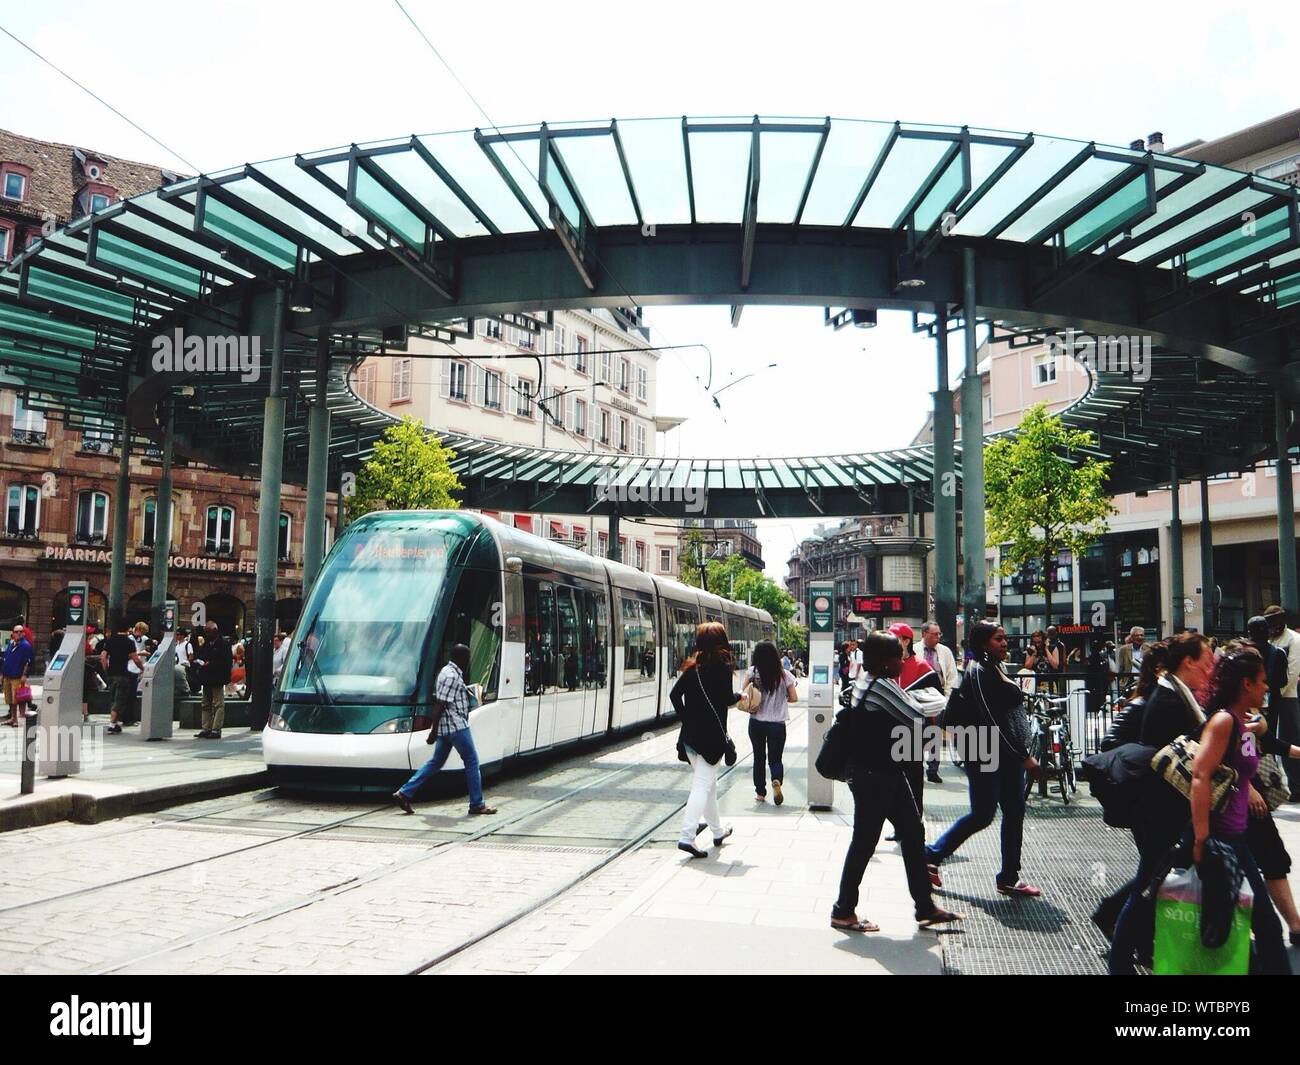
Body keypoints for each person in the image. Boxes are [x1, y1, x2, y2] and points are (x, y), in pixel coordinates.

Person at [830, 631, 962, 933]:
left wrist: (911, 697)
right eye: (898, 657)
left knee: (912, 832)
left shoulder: (865, 680)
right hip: (877, 775)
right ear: (886, 662)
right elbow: (917, 712)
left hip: (881, 773)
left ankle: (924, 907)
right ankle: (843, 910)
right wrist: (929, 698)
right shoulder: (883, 686)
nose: (903, 662)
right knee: (866, 840)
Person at [1107, 631, 1214, 973]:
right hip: (1161, 809)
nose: (1210, 670)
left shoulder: (1174, 692)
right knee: (1146, 887)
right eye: (1206, 662)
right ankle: (1120, 960)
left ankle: (1124, 953)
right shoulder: (1170, 699)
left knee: (1148, 885)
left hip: (1163, 809)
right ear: (1188, 662)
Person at [1189, 647, 1291, 974]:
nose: (1267, 688)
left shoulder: (1243, 724)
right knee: (1232, 923)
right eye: (1262, 682)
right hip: (1220, 841)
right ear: (1246, 684)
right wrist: (1201, 839)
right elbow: (1200, 775)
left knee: (1261, 923)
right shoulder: (1222, 722)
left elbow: (1247, 767)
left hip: (1237, 839)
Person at [925, 622, 1042, 898]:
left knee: (1013, 812)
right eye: (998, 638)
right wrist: (1024, 757)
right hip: (986, 753)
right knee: (983, 814)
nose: (1004, 643)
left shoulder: (992, 668)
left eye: (1004, 638)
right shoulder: (979, 673)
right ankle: (930, 854)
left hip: (1004, 756)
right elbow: (993, 721)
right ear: (982, 643)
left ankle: (1009, 877)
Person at [394, 643, 497, 817]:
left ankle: (404, 793)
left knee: (435, 762)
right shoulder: (451, 676)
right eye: (467, 657)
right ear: (460, 658)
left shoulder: (446, 672)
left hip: (446, 728)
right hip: (455, 727)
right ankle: (477, 804)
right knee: (471, 761)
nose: (468, 660)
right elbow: (440, 704)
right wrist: (433, 731)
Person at [671, 621, 742, 858]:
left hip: (690, 738)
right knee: (703, 785)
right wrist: (740, 696)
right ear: (722, 641)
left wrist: (687, 719)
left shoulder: (692, 668)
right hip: (711, 739)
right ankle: (687, 836)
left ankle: (718, 831)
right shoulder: (723, 667)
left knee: (709, 786)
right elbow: (726, 699)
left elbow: (674, 695)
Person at [742, 640, 797, 805]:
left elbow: (742, 694)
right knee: (775, 758)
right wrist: (781, 698)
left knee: (759, 757)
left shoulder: (752, 672)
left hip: (756, 722)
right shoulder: (784, 674)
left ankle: (760, 793)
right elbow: (794, 698)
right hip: (777, 724)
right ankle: (776, 780)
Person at [1264, 605, 1300, 799]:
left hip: (1286, 696)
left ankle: (1296, 786)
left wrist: (1275, 694)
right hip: (1268, 697)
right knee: (1268, 741)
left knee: (1289, 739)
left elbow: (1293, 672)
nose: (1273, 625)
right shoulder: (1270, 640)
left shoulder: (1294, 640)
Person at [919, 621, 959, 784]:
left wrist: (947, 697)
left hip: (938, 697)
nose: (937, 637)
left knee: (934, 734)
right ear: (924, 634)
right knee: (917, 733)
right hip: (919, 697)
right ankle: (916, 766)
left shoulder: (945, 652)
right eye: (934, 634)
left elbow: (952, 676)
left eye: (939, 634)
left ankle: (933, 769)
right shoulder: (915, 650)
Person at [100, 617, 142, 735]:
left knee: (113, 697)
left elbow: (103, 657)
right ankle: (112, 724)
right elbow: (135, 658)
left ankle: (116, 723)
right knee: (120, 699)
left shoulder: (110, 640)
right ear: (128, 628)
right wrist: (142, 668)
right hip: (123, 674)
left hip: (111, 673)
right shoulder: (129, 642)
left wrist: (106, 669)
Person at [193, 621, 232, 739]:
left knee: (218, 704)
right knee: (205, 704)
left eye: (208, 632)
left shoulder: (224, 643)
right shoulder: (207, 644)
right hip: (207, 677)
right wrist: (200, 662)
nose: (206, 634)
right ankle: (206, 728)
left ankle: (216, 729)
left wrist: (210, 664)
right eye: (206, 632)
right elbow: (201, 655)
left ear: (215, 631)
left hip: (217, 677)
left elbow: (226, 662)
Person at [2, 624, 33, 727]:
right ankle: (12, 717)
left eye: (21, 631)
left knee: (16, 699)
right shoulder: (11, 644)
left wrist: (24, 675)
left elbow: (27, 662)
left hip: (17, 676)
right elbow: (6, 658)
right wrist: (2, 674)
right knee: (9, 698)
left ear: (23, 633)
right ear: (13, 633)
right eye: (16, 631)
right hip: (7, 675)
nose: (19, 633)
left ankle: (15, 719)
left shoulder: (25, 645)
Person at [1116, 626, 1146, 692]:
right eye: (1137, 635)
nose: (1140, 637)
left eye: (1141, 635)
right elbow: (1121, 668)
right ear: (1132, 637)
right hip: (1128, 681)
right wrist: (1121, 683)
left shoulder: (1148, 648)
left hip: (1143, 681)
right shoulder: (1124, 650)